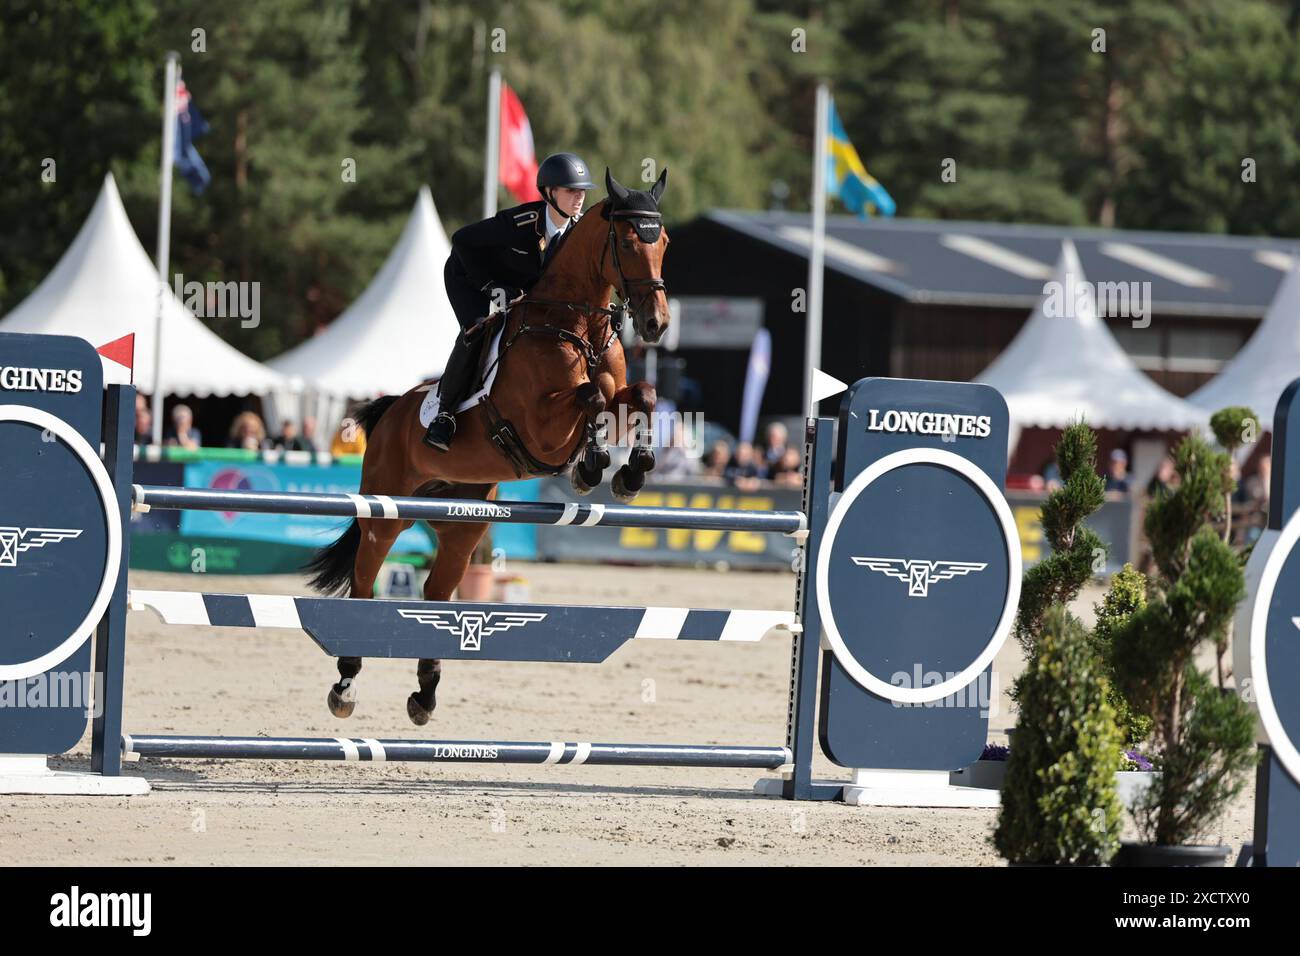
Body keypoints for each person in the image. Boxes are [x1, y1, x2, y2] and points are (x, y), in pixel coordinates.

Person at [424, 152, 597, 451]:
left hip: (516, 288)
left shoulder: (577, 233)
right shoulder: (518, 222)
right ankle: (445, 414)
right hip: (469, 276)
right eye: (571, 191)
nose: (579, 198)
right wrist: (491, 287)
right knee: (477, 330)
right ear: (549, 193)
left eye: (582, 191)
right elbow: (462, 240)